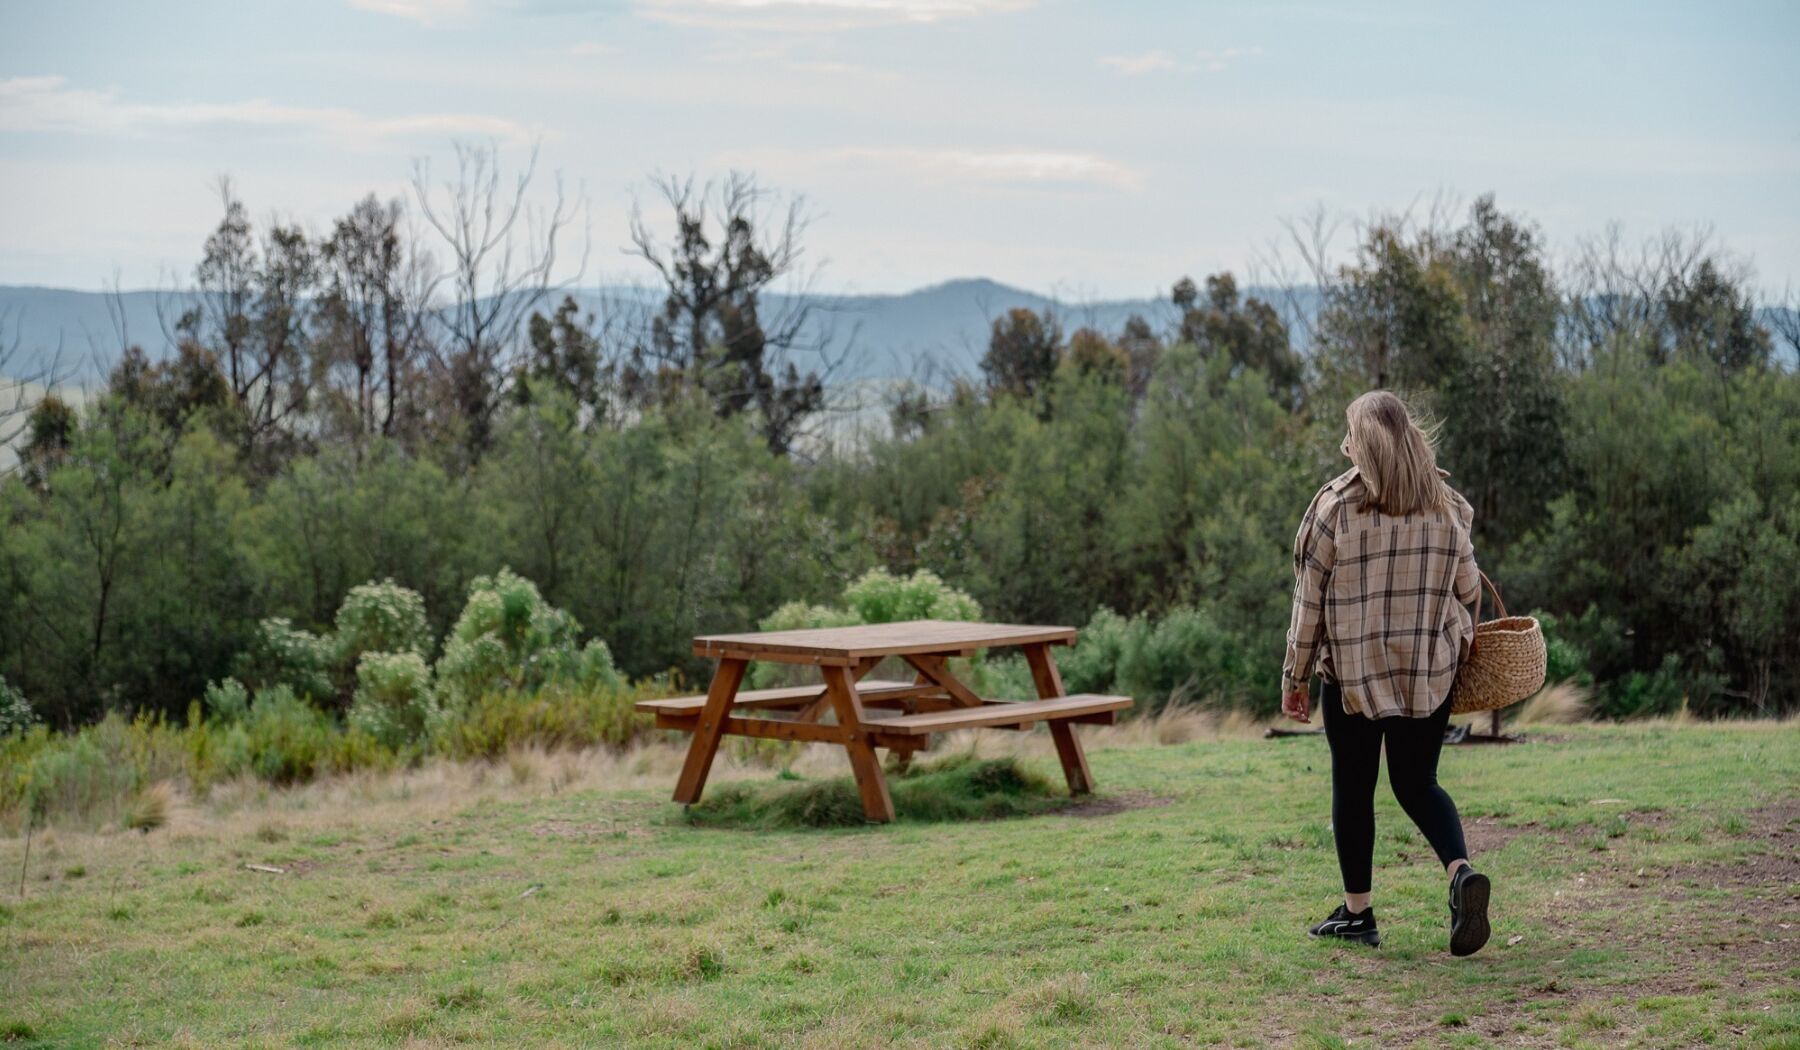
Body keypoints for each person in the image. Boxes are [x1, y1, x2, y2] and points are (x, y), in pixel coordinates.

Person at [1279, 390, 1491, 957]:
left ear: (1364, 446)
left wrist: (1294, 678)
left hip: (1353, 676)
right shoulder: (1447, 504)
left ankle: (1358, 915)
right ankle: (1460, 873)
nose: (1343, 443)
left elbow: (1309, 606)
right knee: (1416, 783)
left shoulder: (1333, 509)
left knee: (1354, 787)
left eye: (1350, 433)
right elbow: (1469, 590)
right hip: (1428, 671)